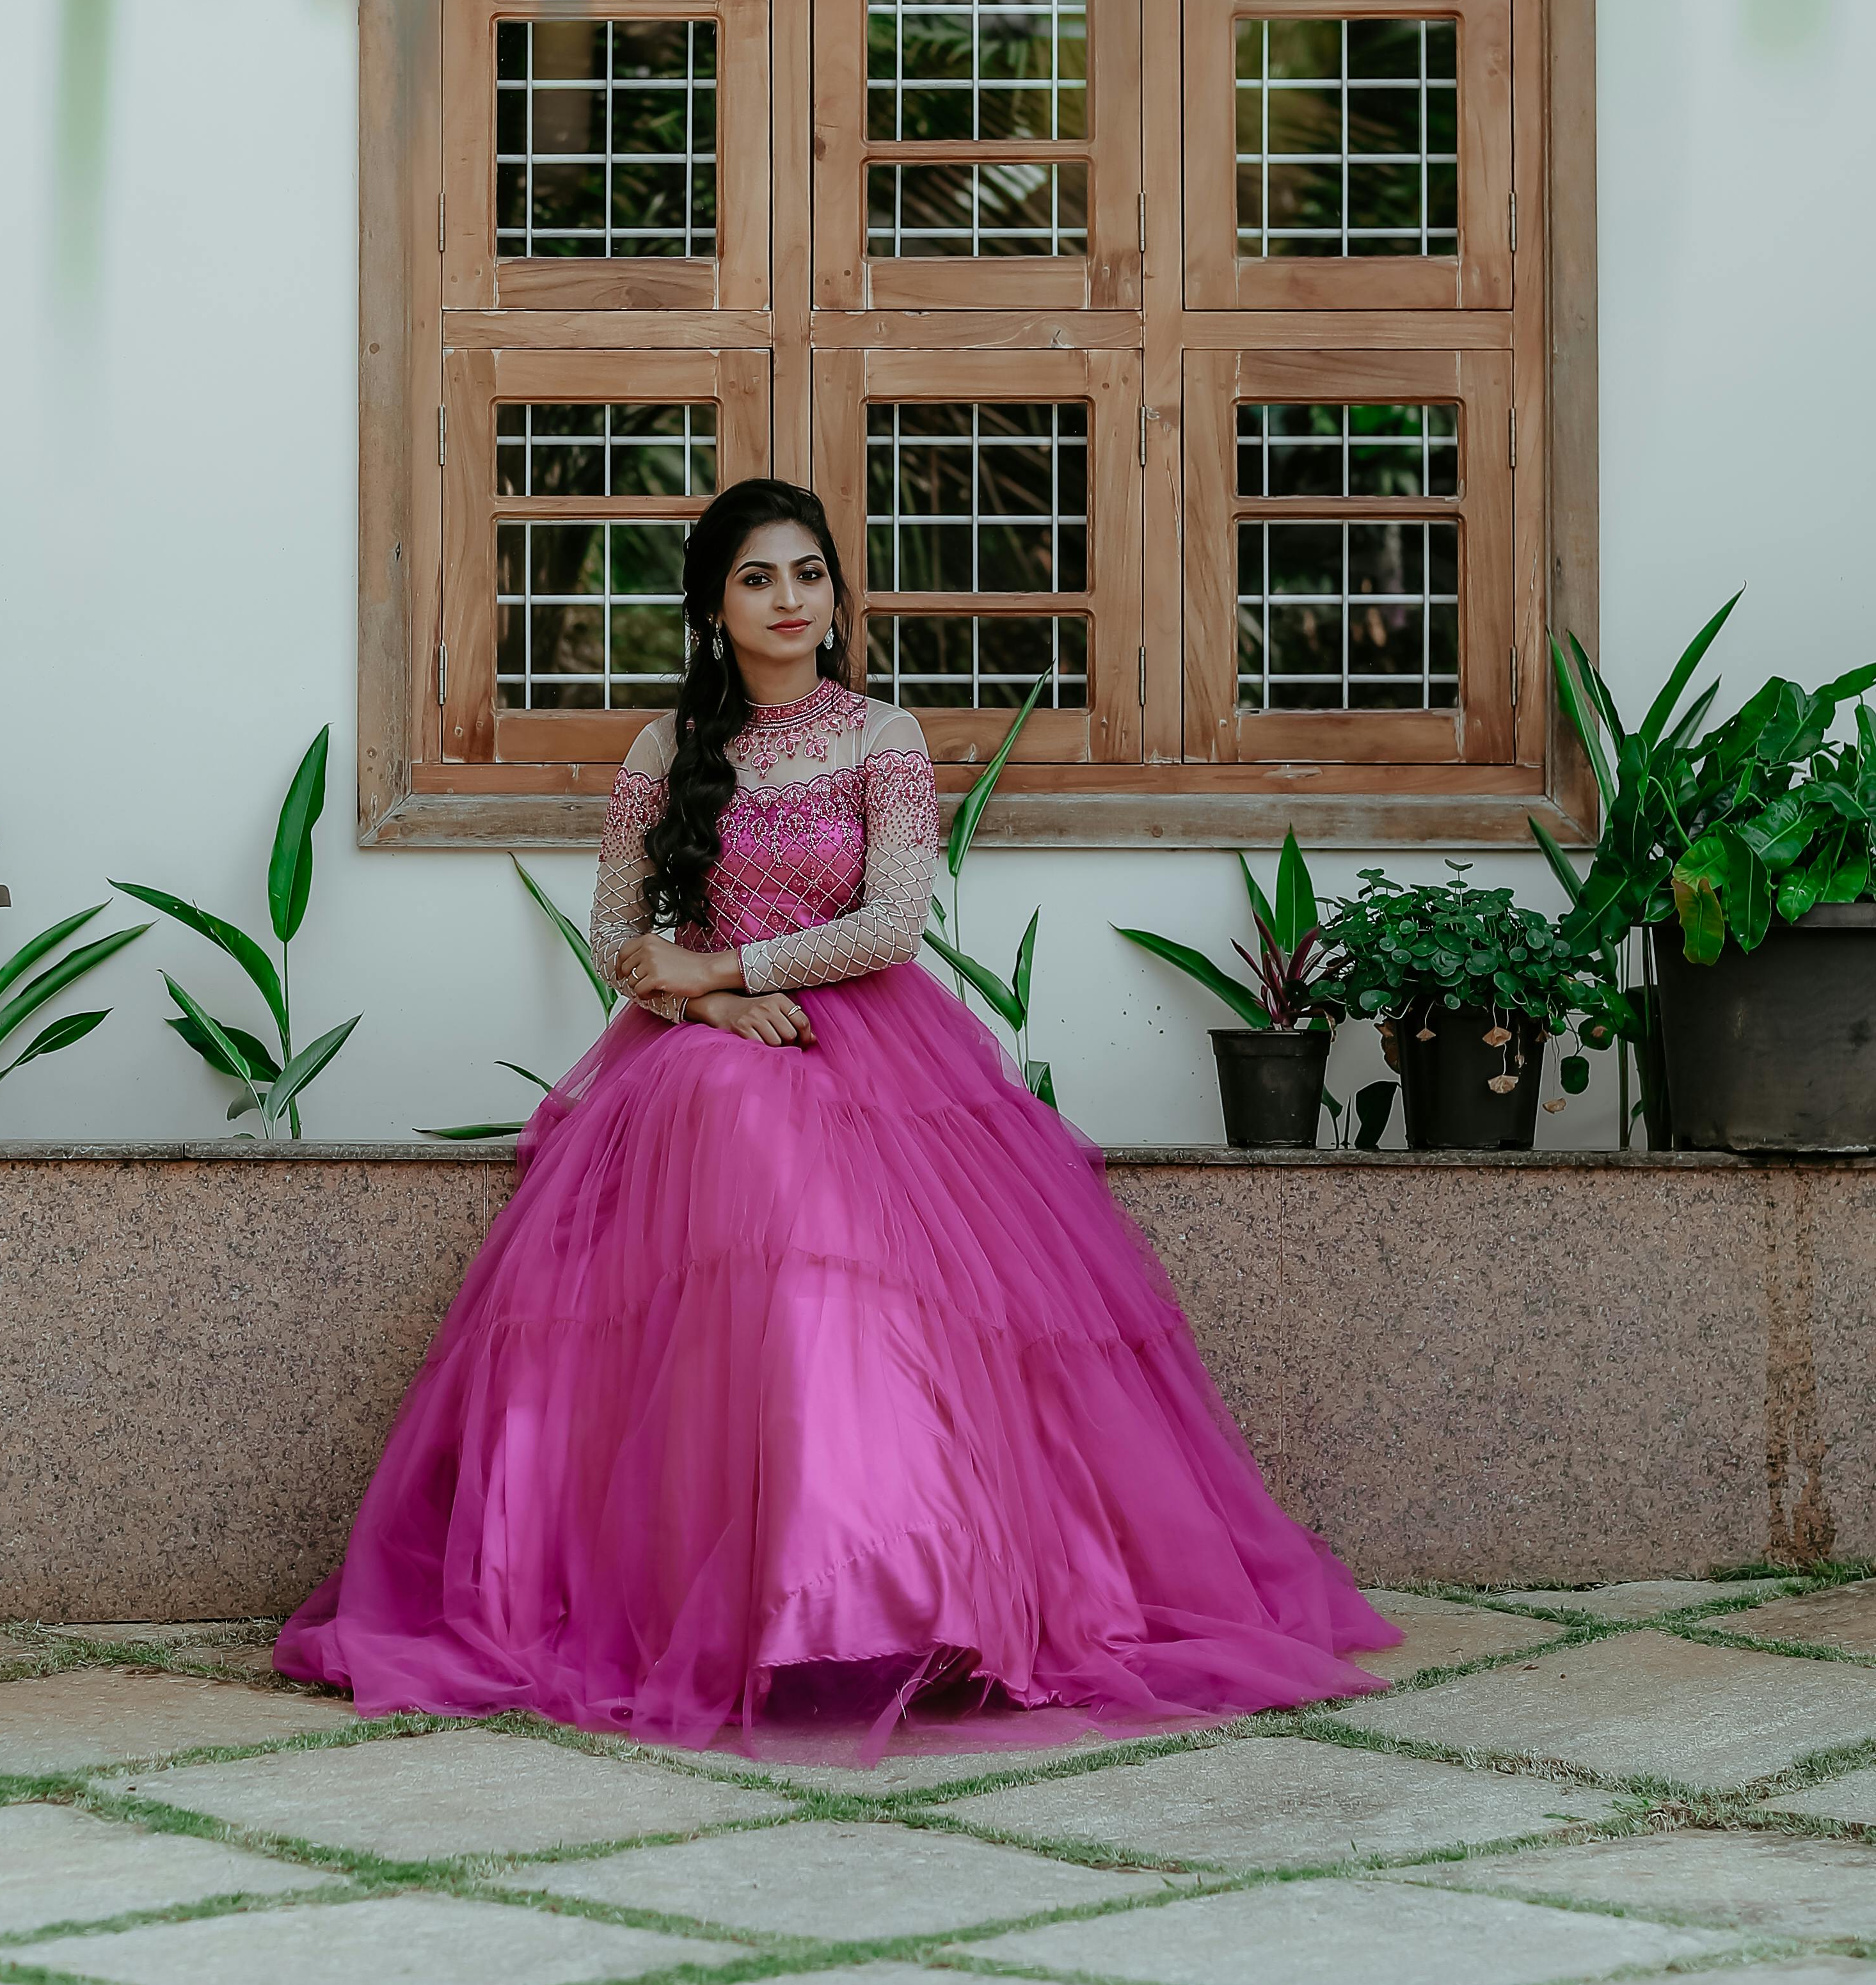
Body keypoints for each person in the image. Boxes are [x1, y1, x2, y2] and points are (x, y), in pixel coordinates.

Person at [274, 477, 1397, 1752]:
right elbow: (612, 935)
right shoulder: (663, 753)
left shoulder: (883, 737)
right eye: (758, 579)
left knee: (858, 1253)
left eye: (808, 574)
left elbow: (891, 926)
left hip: (875, 1045)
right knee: (732, 1129)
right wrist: (707, 1009)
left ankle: (909, 1589)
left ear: (834, 593)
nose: (790, 600)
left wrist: (731, 971)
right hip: (698, 1061)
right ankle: (760, 1603)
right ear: (712, 605)